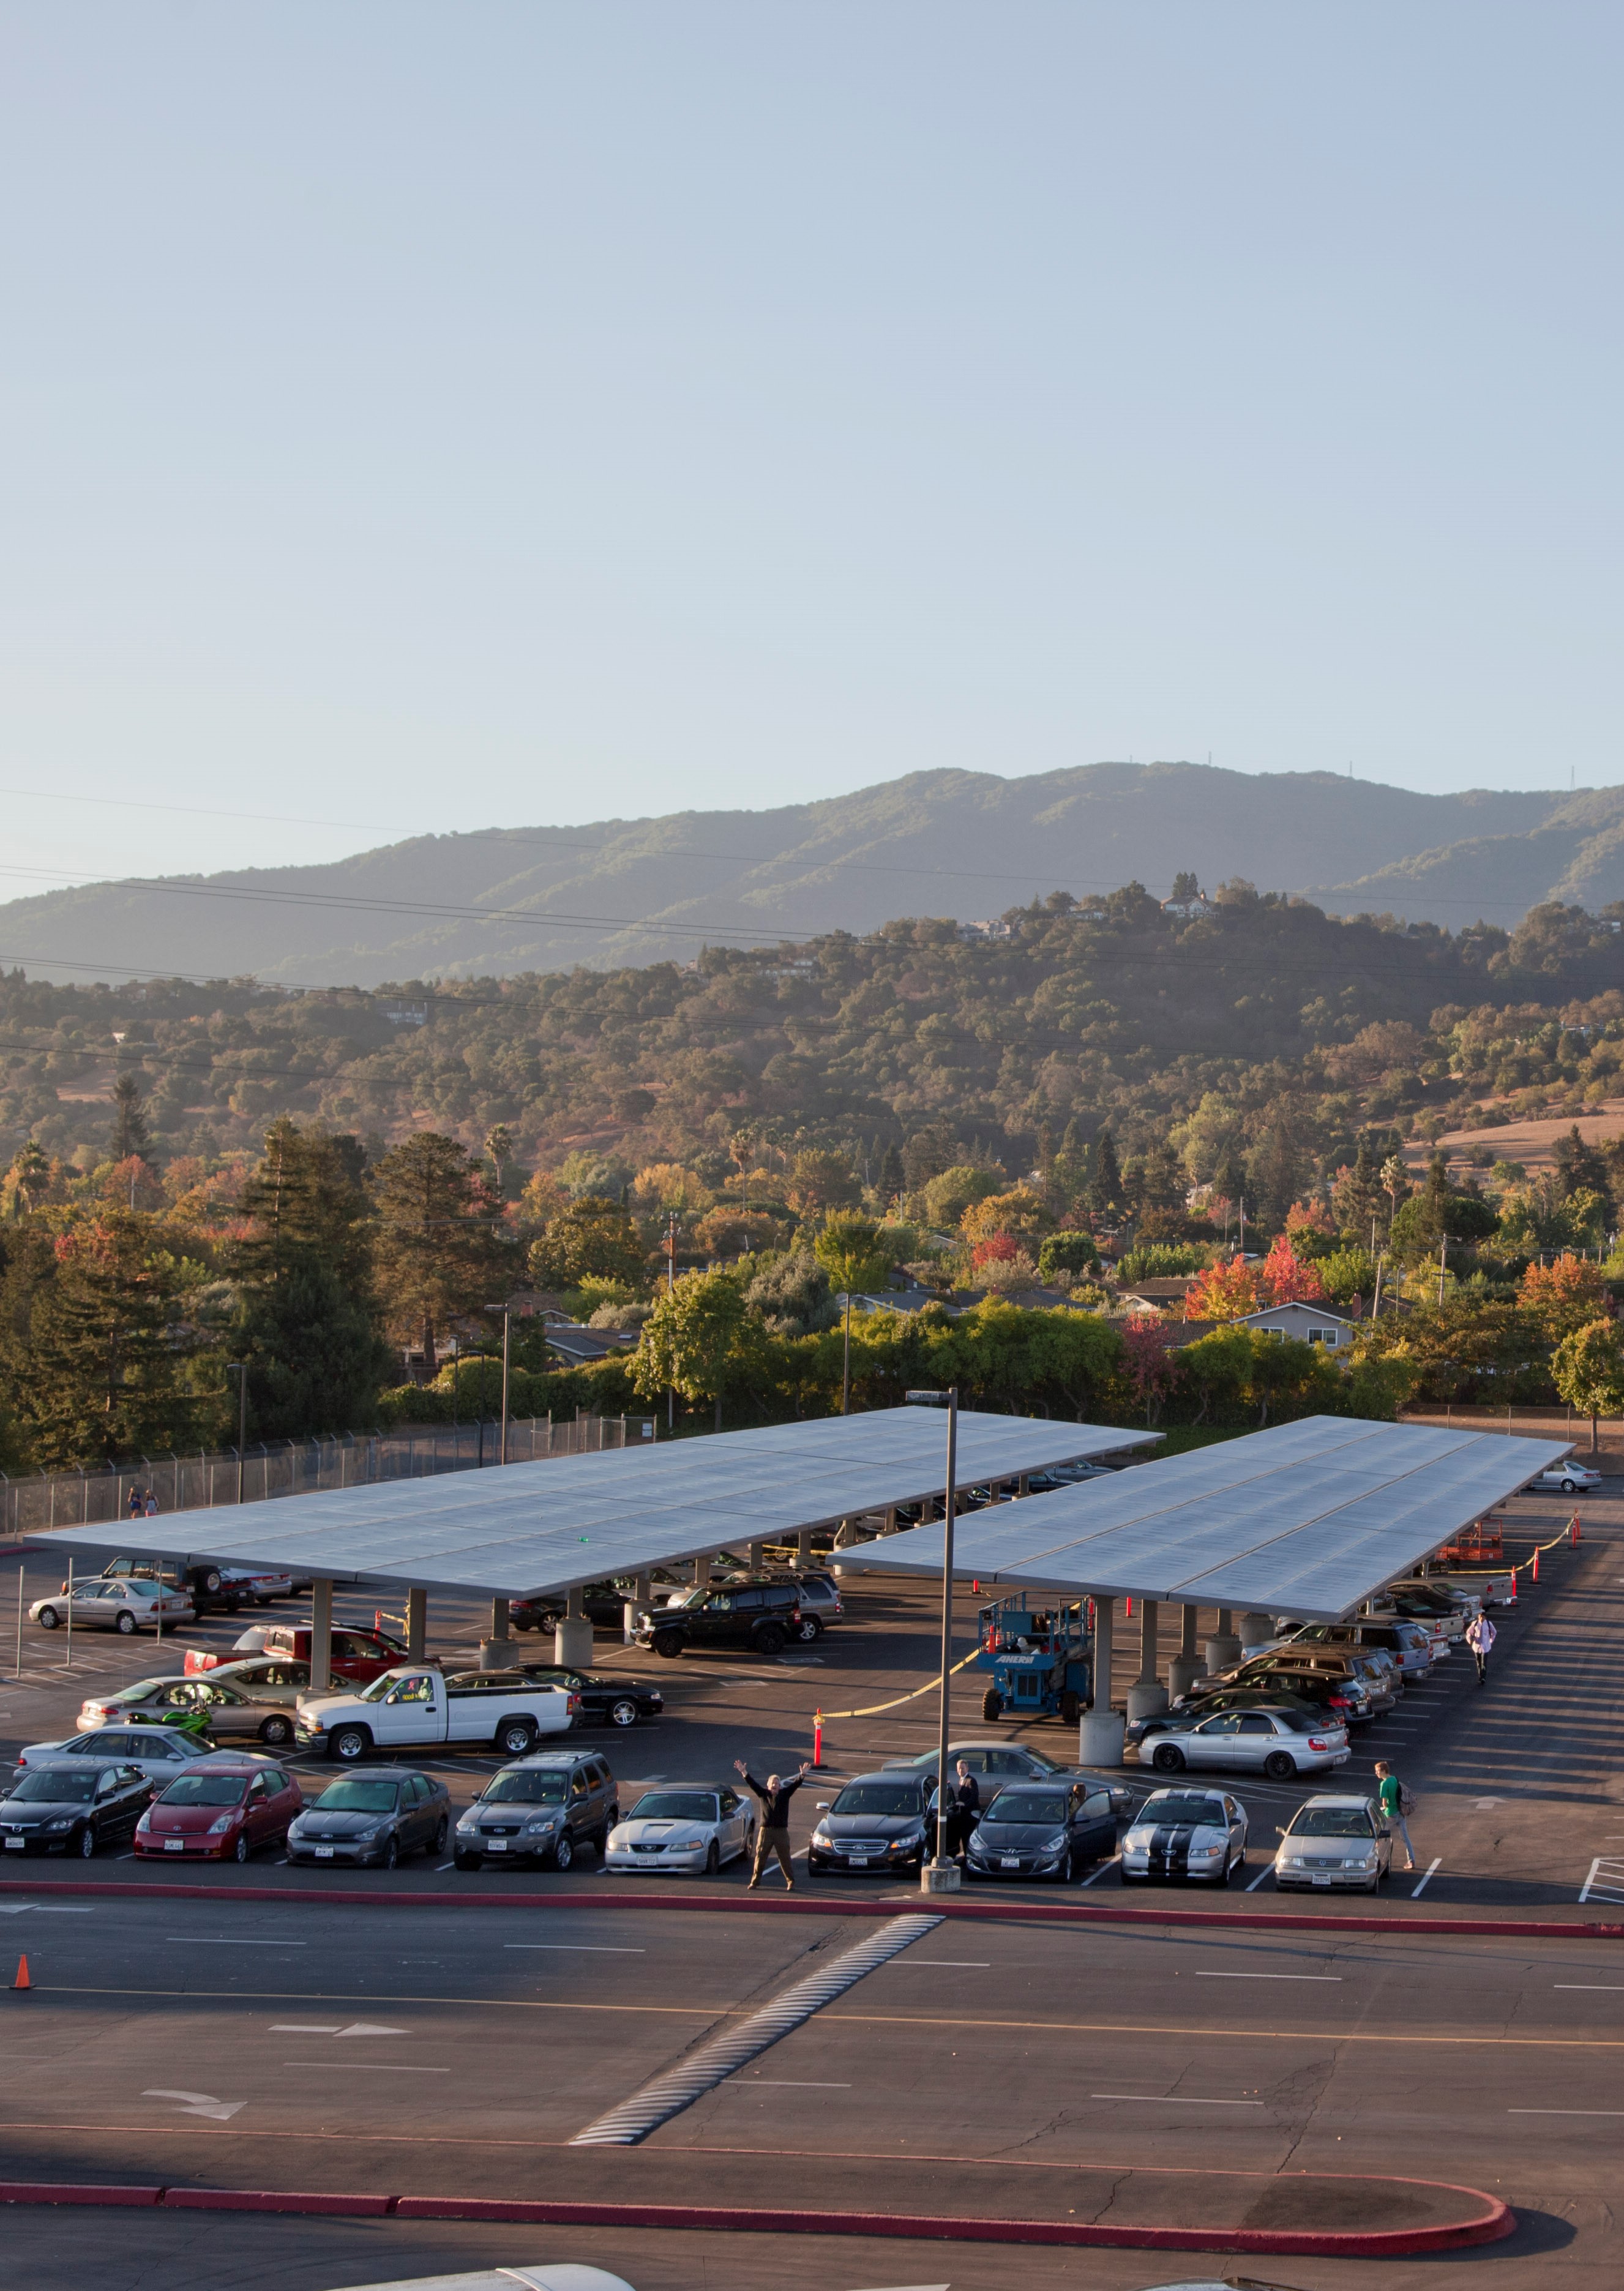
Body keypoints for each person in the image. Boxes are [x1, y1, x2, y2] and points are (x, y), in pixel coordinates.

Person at [735, 1757, 811, 1891]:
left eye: (777, 1783)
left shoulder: (785, 1794)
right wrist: (744, 1772)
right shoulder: (763, 1794)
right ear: (768, 1786)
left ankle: (790, 1881)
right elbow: (752, 1784)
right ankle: (755, 1882)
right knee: (760, 1857)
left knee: (785, 1858)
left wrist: (802, 1775)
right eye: (773, 1784)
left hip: (781, 1831)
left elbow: (795, 1785)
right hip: (766, 1831)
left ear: (780, 1786)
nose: (775, 1785)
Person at [1374, 1760, 1415, 1871]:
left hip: (1391, 1814)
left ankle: (1376, 1859)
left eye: (1378, 1771)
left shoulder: (1384, 1784)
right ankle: (1411, 1860)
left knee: (1378, 1833)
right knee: (1405, 1838)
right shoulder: (1394, 1779)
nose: (1376, 1773)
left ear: (1384, 1771)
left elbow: (1384, 1803)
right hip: (1400, 1812)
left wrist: (1384, 1807)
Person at [948, 1758, 981, 1858]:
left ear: (967, 1768)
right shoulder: (962, 1780)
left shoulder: (971, 1781)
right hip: (963, 1815)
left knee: (968, 1837)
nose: (960, 1771)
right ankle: (966, 1856)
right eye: (959, 1769)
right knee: (964, 1836)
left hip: (970, 1816)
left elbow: (974, 1797)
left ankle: (969, 1857)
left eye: (963, 1768)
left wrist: (964, 1804)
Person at [1465, 1608, 1495, 1684]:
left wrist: (1490, 1641)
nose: (1481, 1618)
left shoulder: (1489, 1624)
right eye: (1480, 1616)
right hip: (1477, 1647)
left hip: (1485, 1647)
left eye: (1483, 1617)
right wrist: (1470, 1641)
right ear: (1479, 1616)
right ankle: (1480, 1676)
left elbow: (1494, 1633)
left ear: (1485, 1617)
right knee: (1478, 1662)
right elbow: (1469, 1632)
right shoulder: (1475, 1624)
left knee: (1483, 1663)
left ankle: (1483, 1677)